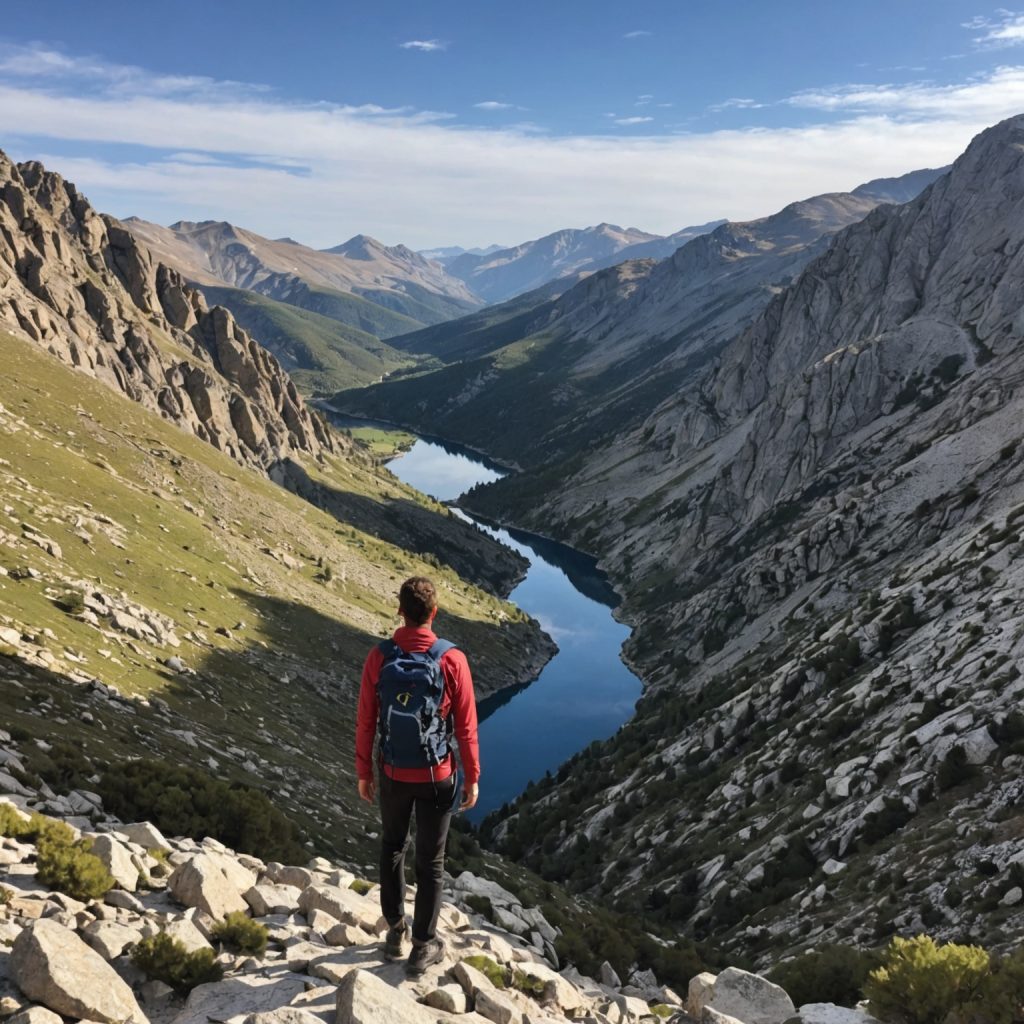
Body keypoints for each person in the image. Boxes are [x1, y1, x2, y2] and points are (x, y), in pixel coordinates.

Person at [355, 575, 480, 975]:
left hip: (393, 772)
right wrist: (472, 776)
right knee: (431, 861)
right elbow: (466, 728)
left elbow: (366, 720)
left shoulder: (379, 657)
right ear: (434, 612)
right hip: (437, 775)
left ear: (400, 611)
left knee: (393, 846)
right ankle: (423, 946)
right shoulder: (452, 659)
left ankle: (395, 931)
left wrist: (364, 771)